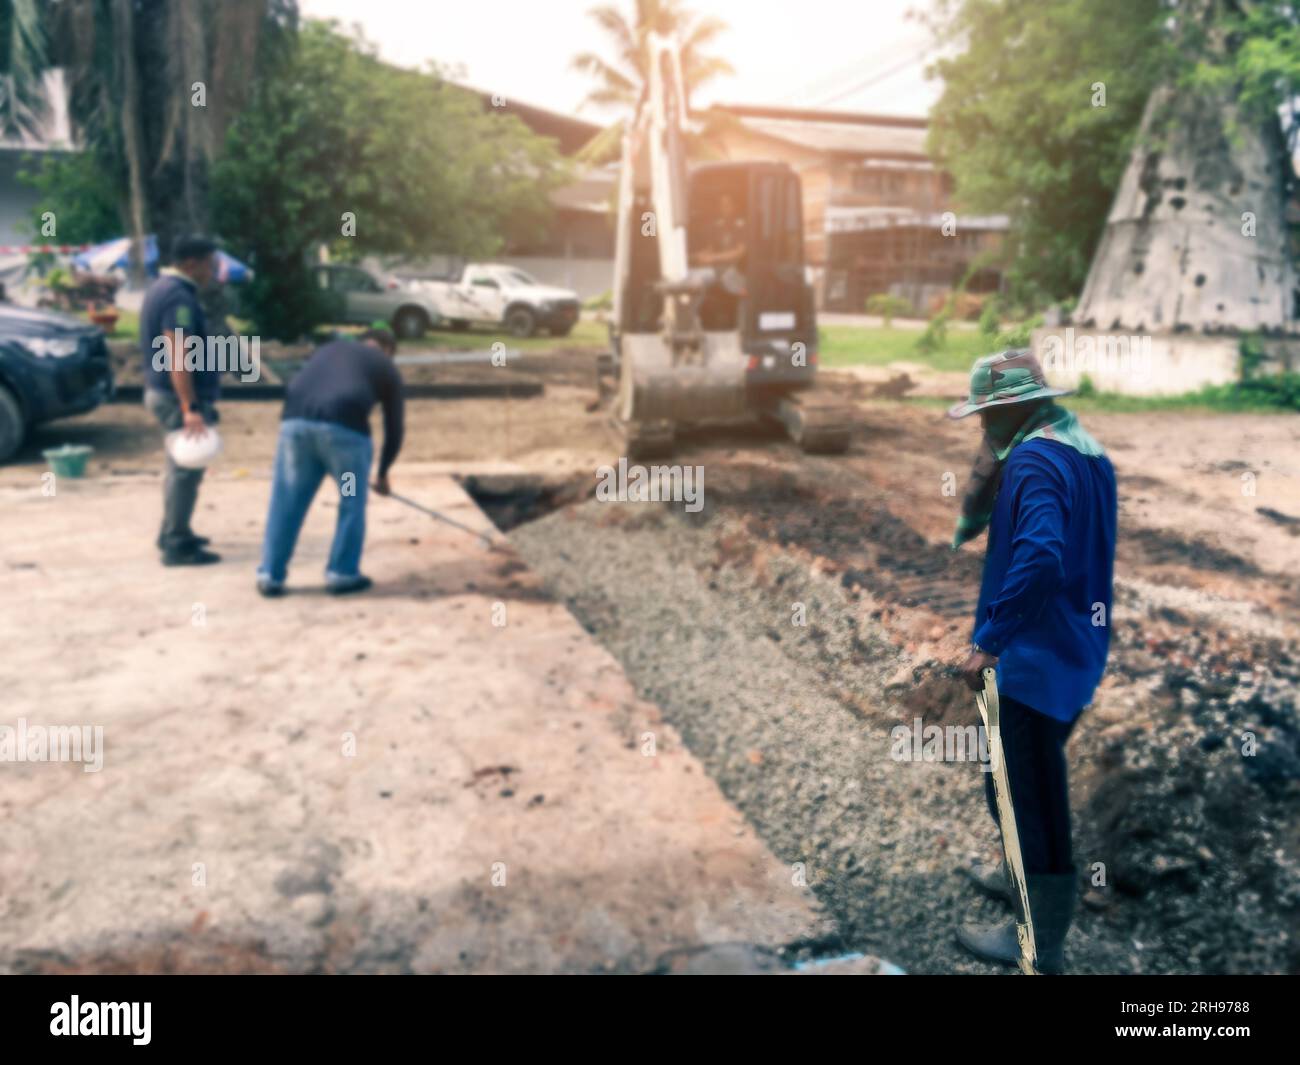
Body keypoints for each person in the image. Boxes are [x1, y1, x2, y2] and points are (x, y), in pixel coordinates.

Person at [947, 349, 1117, 974]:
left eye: (987, 412)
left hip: (1035, 660)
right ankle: (1013, 872)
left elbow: (1043, 556)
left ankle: (1038, 945)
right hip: (1074, 649)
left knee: (1030, 801)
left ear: (1010, 407)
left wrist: (991, 638)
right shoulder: (1084, 448)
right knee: (1009, 778)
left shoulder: (1036, 460)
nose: (981, 426)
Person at [255, 326, 404, 597]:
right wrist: (382, 474)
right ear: (387, 350)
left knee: (287, 500)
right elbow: (395, 428)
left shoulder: (328, 350)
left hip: (295, 429)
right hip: (343, 439)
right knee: (350, 501)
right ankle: (341, 573)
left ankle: (269, 574)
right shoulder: (384, 364)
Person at [141, 234, 221, 566]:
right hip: (176, 398)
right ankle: (176, 542)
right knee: (185, 470)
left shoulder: (163, 288)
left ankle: (175, 530)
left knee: (181, 468)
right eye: (210, 263)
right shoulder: (178, 298)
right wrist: (190, 407)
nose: (214, 270)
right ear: (192, 264)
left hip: (163, 392)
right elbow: (178, 356)